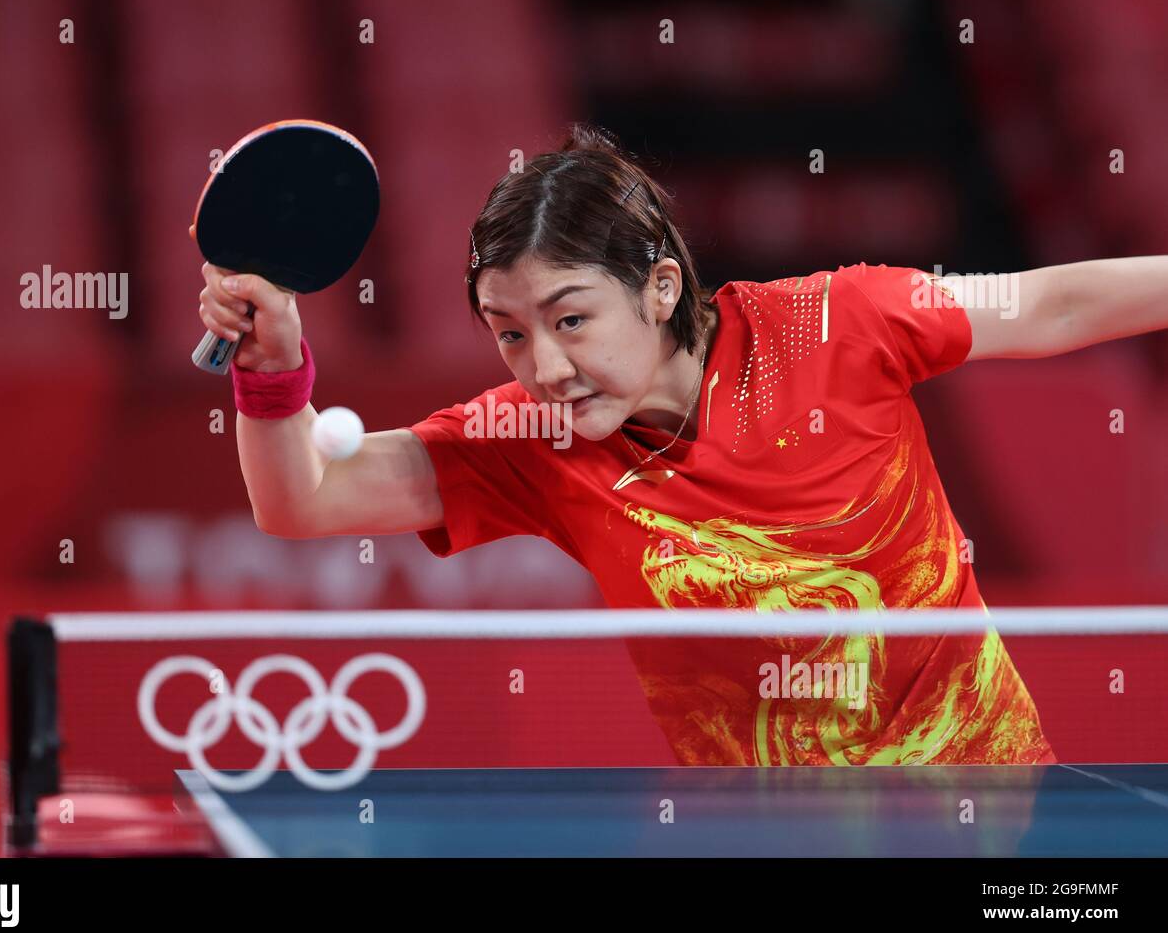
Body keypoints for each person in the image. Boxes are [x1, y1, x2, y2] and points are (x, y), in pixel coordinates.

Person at [198, 123, 1168, 766]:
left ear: (660, 288)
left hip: (998, 814)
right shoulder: (531, 438)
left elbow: (1048, 302)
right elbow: (306, 499)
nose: (541, 363)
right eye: (507, 331)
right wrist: (273, 369)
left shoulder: (836, 323)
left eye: (569, 319)